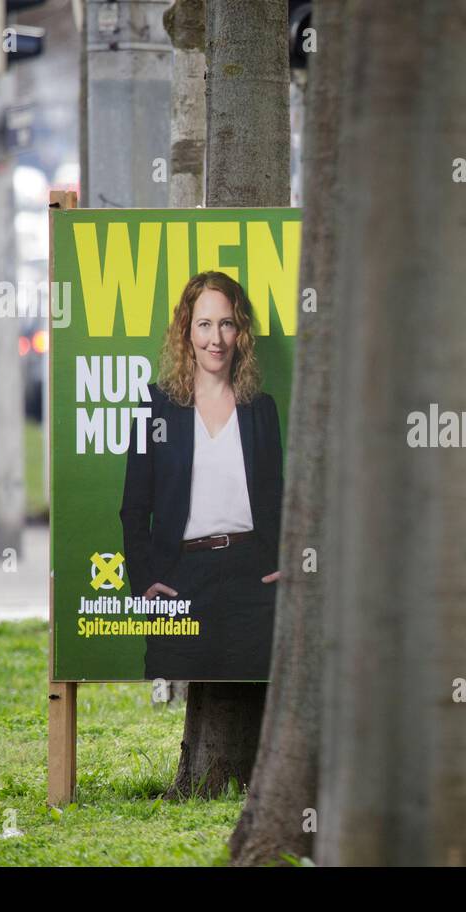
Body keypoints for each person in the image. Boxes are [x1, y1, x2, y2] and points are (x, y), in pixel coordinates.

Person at [119, 271, 283, 682]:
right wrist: (144, 579)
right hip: (182, 577)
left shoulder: (260, 409)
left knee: (255, 703)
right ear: (186, 332)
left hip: (252, 578)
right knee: (168, 687)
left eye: (226, 323)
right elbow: (135, 506)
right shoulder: (155, 407)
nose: (216, 338)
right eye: (205, 324)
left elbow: (281, 499)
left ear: (240, 332)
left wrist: (287, 562)